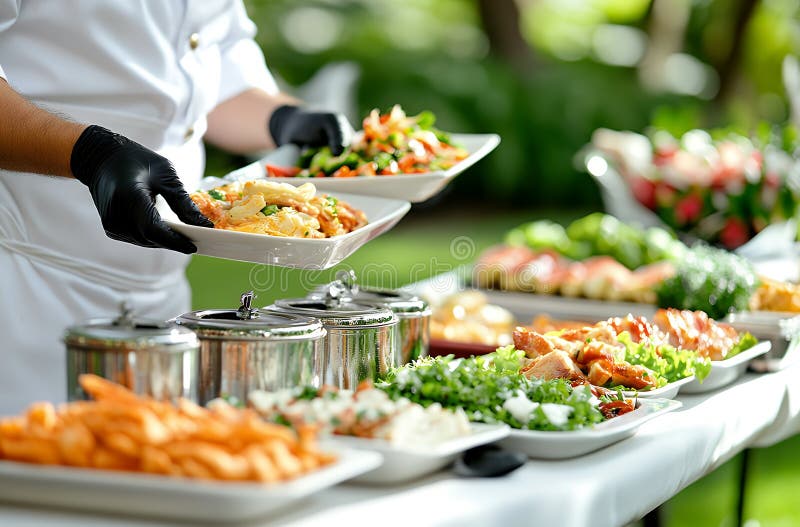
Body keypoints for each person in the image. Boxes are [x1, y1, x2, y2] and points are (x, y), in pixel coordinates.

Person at [0, 1, 354, 414]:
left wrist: (283, 119)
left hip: (164, 298)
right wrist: (89, 154)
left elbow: (209, 64)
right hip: (23, 286)